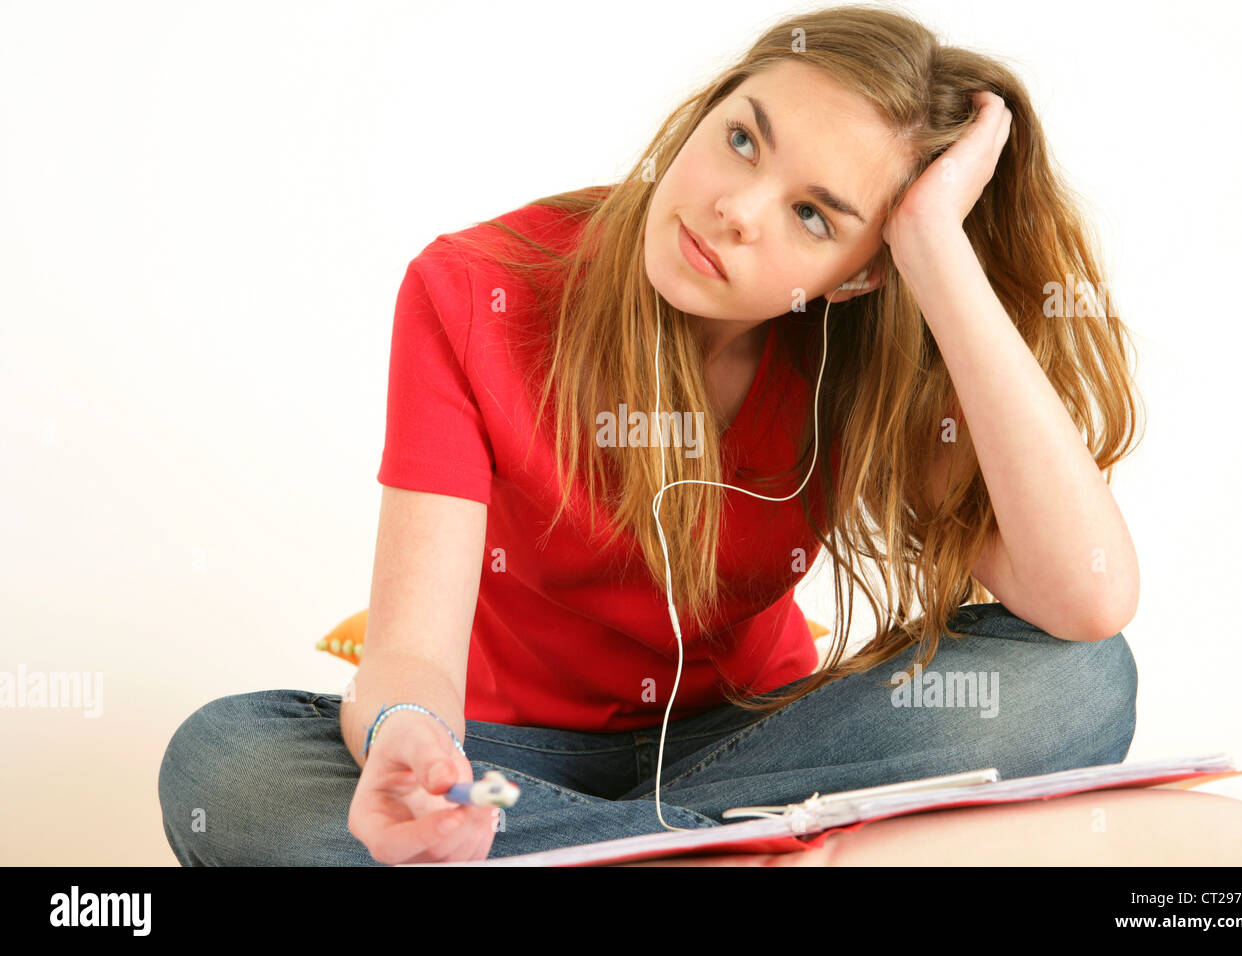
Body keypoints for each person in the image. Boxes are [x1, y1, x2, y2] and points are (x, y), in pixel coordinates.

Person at [159, 4, 1147, 865]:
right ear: (708, 108)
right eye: (744, 140)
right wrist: (408, 738)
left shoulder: (860, 353)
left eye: (813, 215)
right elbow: (411, 656)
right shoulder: (472, 289)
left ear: (861, 270)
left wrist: (935, 250)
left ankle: (605, 854)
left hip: (758, 742)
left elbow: (1087, 595)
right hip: (501, 755)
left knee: (1079, 681)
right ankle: (718, 850)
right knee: (230, 764)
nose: (733, 207)